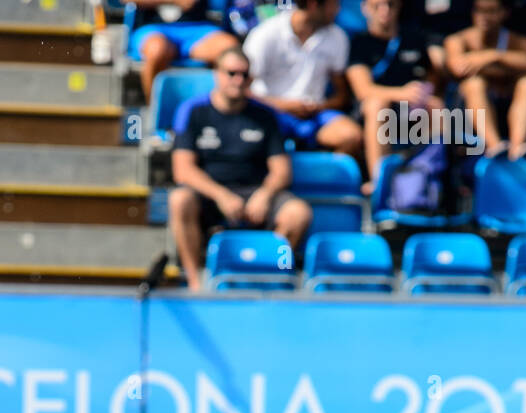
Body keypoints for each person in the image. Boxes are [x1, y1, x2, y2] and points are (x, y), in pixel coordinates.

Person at [167, 48, 312, 290]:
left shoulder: (265, 115)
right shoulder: (193, 111)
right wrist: (221, 195)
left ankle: (271, 278)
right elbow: (183, 170)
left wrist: (264, 195)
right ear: (216, 74)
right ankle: (195, 283)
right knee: (179, 199)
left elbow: (281, 171)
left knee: (298, 213)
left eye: (245, 75)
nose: (238, 80)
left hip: (256, 194)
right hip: (210, 196)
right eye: (231, 73)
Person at [346, 0, 445, 192]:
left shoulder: (414, 39)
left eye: (390, 5)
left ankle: (431, 179)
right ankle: (379, 181)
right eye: (378, 6)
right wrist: (402, 94)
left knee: (436, 105)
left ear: (399, 6)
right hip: (372, 113)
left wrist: (423, 91)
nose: (385, 11)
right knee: (377, 104)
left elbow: (432, 77)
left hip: (410, 113)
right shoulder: (359, 43)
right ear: (365, 8)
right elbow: (362, 90)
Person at [242, 0, 362, 156]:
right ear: (313, 4)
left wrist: (318, 107)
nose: (338, 10)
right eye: (332, 5)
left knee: (351, 137)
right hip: (270, 113)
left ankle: (322, 175)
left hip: (315, 116)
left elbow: (341, 95)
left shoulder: (337, 36)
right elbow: (244, 91)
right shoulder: (265, 34)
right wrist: (286, 106)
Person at [444, 0, 526, 159]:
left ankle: (518, 147)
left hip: (505, 105)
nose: (484, 17)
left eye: (491, 11)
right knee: (474, 83)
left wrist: (494, 56)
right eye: (479, 10)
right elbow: (458, 68)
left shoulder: (516, 40)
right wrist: (505, 70)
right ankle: (495, 147)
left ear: (504, 13)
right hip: (465, 112)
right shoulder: (459, 40)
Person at [128, 1, 239, 103]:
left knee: (230, 50)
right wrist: (174, 1)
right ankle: (157, 112)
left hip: (199, 28)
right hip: (153, 28)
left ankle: (220, 111)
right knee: (157, 50)